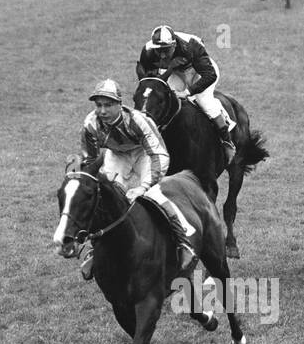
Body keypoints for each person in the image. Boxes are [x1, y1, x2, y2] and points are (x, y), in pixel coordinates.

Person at [76, 79, 198, 278]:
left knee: (154, 193)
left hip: (144, 154)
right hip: (117, 155)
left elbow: (159, 155)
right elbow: (90, 161)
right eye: (99, 105)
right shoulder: (90, 124)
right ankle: (93, 249)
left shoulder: (138, 120)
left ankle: (184, 242)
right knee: (104, 198)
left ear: (119, 104)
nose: (103, 111)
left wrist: (144, 186)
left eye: (108, 105)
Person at [135, 25, 236, 162]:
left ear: (174, 45)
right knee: (164, 100)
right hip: (176, 72)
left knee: (204, 102)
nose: (163, 55)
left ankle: (227, 142)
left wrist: (188, 92)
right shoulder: (148, 51)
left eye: (166, 50)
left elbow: (209, 75)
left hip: (199, 71)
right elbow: (149, 81)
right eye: (159, 51)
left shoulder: (191, 47)